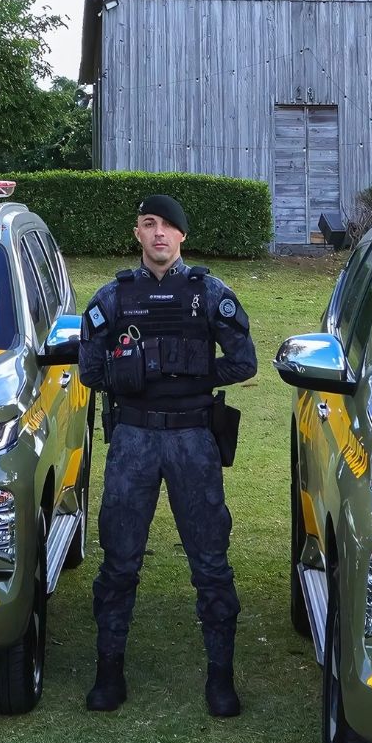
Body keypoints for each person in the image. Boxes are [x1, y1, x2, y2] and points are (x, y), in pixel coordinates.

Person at [78, 194, 256, 716]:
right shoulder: (113, 298)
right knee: (119, 561)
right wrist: (133, 373)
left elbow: (243, 362)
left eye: (168, 227)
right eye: (149, 225)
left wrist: (193, 375)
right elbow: (88, 370)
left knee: (211, 562)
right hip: (132, 440)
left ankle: (220, 680)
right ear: (137, 234)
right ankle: (108, 674)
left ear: (182, 236)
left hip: (192, 440)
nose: (159, 235)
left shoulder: (209, 293)